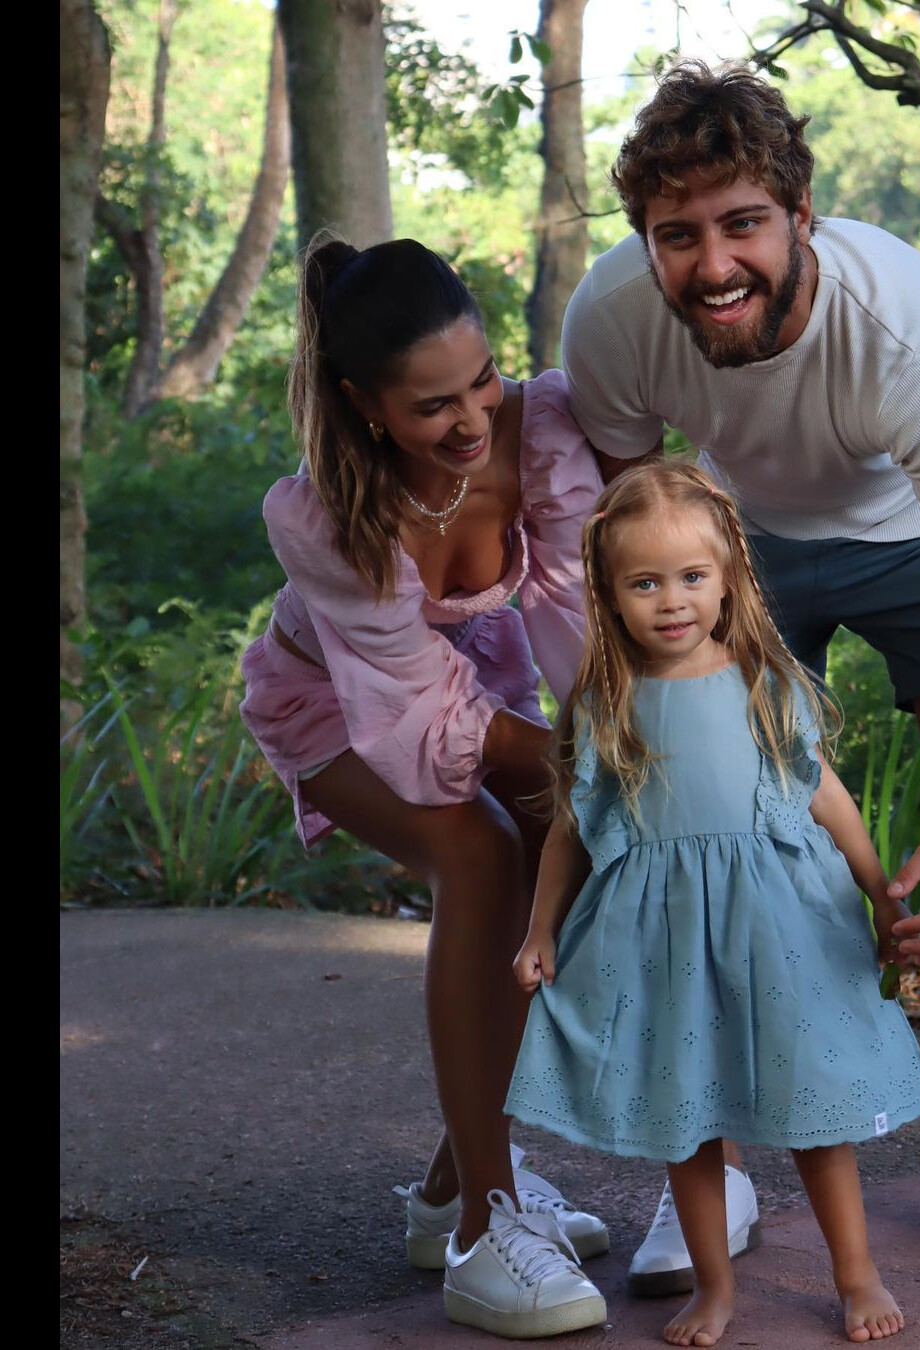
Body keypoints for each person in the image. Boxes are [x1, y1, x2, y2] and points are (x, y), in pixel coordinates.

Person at [559, 60, 920, 1288]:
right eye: (675, 235)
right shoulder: (614, 318)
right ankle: (713, 1162)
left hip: (916, 531)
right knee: (693, 805)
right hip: (733, 542)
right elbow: (633, 526)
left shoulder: (905, 329)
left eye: (742, 223)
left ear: (801, 214)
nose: (711, 263)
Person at [239, 233, 610, 1339]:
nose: (471, 420)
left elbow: (574, 612)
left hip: (478, 684)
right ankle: (478, 1235)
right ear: (363, 404)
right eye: (432, 406)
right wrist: (554, 766)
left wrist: (609, 753)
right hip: (335, 708)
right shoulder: (320, 513)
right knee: (482, 856)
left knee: (580, 853)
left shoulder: (537, 429)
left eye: (482, 380)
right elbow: (409, 710)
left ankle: (455, 1179)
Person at [504, 461, 920, 1346]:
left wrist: (880, 894)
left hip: (781, 929)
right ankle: (717, 1288)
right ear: (610, 593)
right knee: (686, 1119)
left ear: (728, 574)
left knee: (815, 1112)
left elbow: (827, 796)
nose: (671, 600)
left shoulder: (763, 680)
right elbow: (570, 833)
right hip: (662, 941)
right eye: (645, 582)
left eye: (692, 576)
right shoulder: (603, 702)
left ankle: (856, 1275)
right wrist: (540, 931)